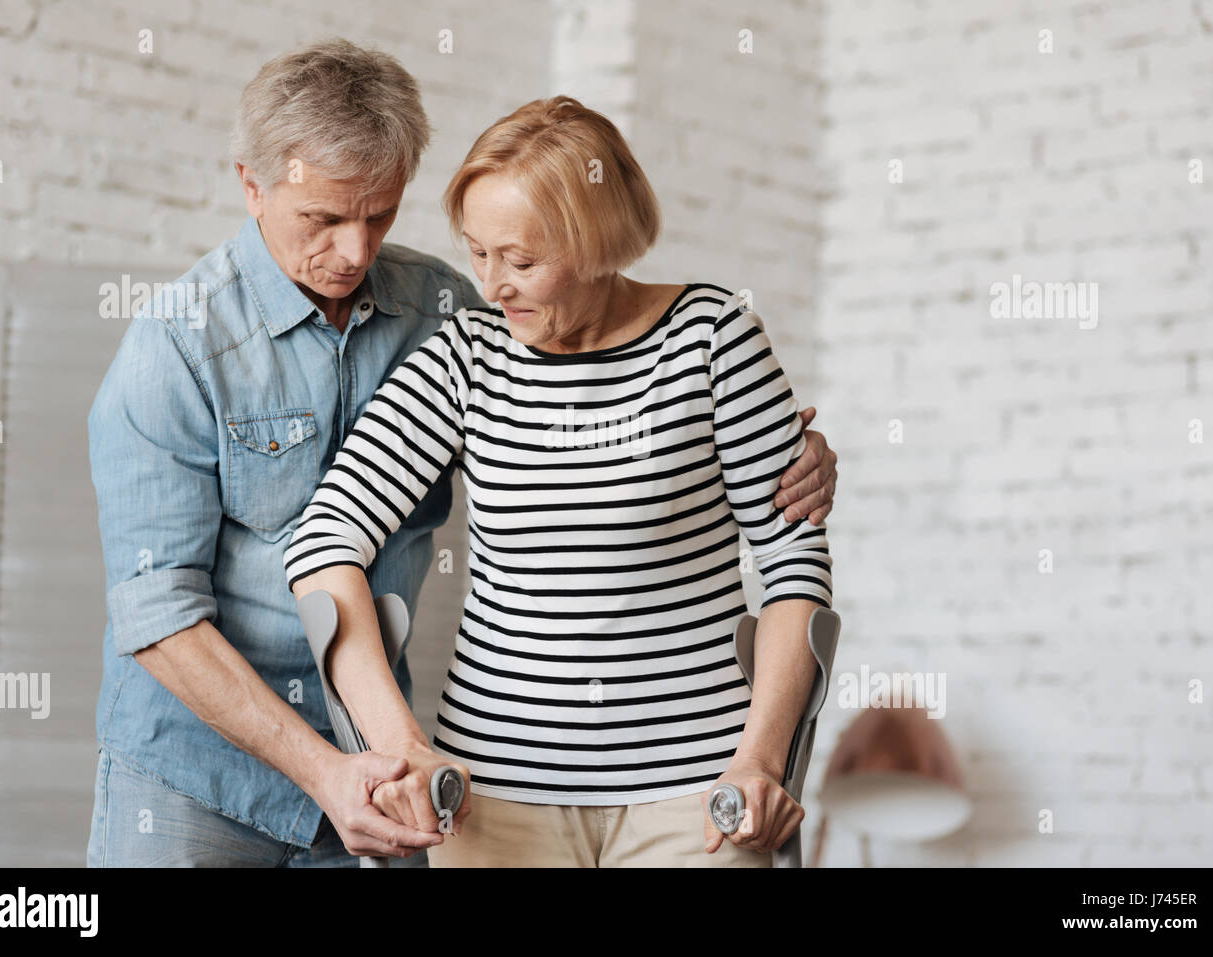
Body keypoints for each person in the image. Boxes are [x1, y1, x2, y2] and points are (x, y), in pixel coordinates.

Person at [86, 43, 838, 867]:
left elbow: (780, 545)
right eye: (325, 220)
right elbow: (162, 613)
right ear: (252, 184)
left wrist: (788, 453)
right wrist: (366, 759)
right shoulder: (179, 346)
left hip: (402, 769)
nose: (354, 252)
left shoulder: (442, 307)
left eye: (379, 216)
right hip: (204, 768)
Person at [283, 95, 834, 867]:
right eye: (478, 253)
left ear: (600, 241)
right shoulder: (467, 358)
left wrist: (761, 761)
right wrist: (402, 745)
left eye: (521, 259)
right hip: (495, 791)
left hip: (701, 793)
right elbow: (325, 536)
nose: (493, 285)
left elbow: (793, 567)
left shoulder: (713, 337)